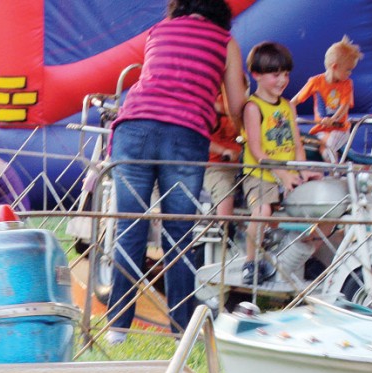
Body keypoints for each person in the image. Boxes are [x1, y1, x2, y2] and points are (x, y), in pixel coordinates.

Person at [101, 0, 244, 345]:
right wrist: (241, 128)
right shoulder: (225, 42)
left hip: (134, 128)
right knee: (178, 234)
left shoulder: (159, 31)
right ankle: (182, 331)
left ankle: (117, 328)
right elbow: (236, 103)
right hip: (184, 134)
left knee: (129, 228)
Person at [242, 41, 315, 285]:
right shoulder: (253, 107)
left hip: (288, 174)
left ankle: (300, 256)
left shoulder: (288, 106)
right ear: (257, 75)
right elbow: (256, 150)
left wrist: (303, 171)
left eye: (286, 74)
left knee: (321, 207)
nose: (283, 80)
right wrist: (281, 173)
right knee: (262, 211)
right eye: (276, 75)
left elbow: (297, 145)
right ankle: (250, 262)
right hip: (260, 176)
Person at [291, 36, 362, 162]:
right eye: (348, 70)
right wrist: (287, 113)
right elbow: (295, 101)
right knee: (312, 148)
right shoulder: (315, 82)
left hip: (340, 129)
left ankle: (337, 171)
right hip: (321, 130)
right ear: (335, 67)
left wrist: (333, 119)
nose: (349, 73)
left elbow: (344, 106)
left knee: (328, 149)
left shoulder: (347, 84)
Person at [203, 77, 246, 220]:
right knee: (224, 187)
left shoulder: (246, 107)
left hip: (244, 165)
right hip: (217, 166)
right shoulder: (211, 108)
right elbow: (201, 139)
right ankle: (225, 227)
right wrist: (223, 151)